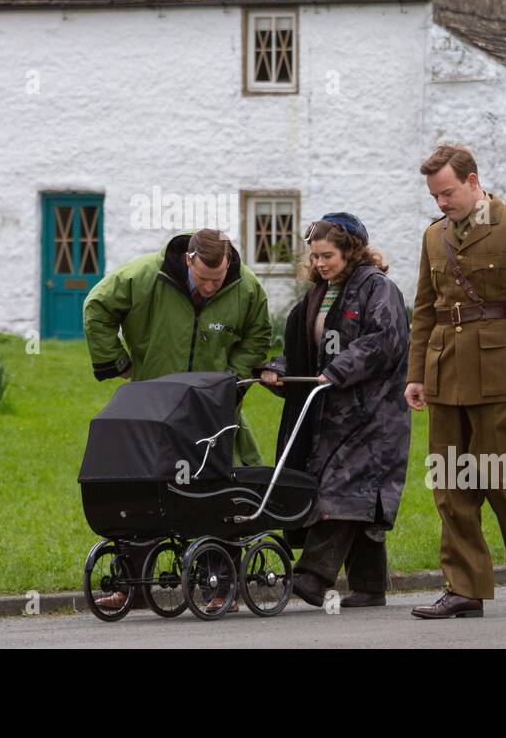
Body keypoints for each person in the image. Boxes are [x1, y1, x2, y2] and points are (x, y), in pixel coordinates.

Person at [83, 228, 273, 612]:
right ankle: (134, 587)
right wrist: (118, 363)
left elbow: (259, 336)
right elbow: (96, 308)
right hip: (152, 407)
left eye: (217, 281)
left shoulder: (247, 288)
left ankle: (222, 587)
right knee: (144, 489)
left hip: (211, 409)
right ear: (189, 260)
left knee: (219, 490)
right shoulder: (142, 276)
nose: (209, 288)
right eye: (203, 279)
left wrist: (230, 380)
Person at [404, 145, 506, 618]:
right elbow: (425, 311)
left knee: (498, 475)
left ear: (473, 182)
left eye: (447, 192)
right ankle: (465, 588)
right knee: (448, 483)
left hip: (499, 373)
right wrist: (415, 377)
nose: (441, 203)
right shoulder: (434, 236)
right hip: (444, 369)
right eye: (434, 196)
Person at [260, 212, 411, 608]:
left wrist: (338, 369)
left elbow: (386, 340)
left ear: (351, 251)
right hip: (331, 411)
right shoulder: (319, 293)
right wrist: (278, 370)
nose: (320, 263)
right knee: (359, 499)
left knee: (340, 491)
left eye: (327, 255)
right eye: (314, 257)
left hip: (372, 414)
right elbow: (306, 351)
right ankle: (370, 587)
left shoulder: (378, 289)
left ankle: (312, 577)